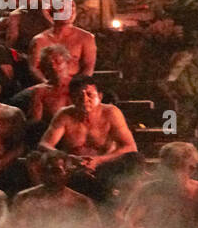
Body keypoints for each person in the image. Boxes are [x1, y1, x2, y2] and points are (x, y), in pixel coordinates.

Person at [39, 75, 140, 204]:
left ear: (100, 96)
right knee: (37, 158)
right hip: (73, 168)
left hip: (104, 165)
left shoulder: (111, 113)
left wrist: (98, 161)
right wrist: (69, 158)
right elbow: (44, 144)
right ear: (71, 98)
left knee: (135, 160)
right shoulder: (64, 115)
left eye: (89, 94)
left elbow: (130, 147)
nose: (84, 99)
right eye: (78, 96)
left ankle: (123, 209)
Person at [12, 150, 100, 228]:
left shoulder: (81, 203)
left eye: (55, 171)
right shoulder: (24, 198)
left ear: (67, 173)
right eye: (45, 171)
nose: (50, 176)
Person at [12, 44, 75, 149]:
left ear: (67, 62)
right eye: (49, 64)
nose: (54, 67)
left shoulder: (79, 86)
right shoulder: (41, 91)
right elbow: (36, 121)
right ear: (44, 68)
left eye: (58, 62)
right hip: (53, 138)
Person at [28, 12, 96, 79]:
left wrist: (78, 85)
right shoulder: (39, 40)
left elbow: (89, 66)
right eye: (63, 8)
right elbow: (34, 68)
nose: (69, 11)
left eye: (71, 8)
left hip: (76, 85)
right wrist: (49, 86)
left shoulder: (86, 37)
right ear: (52, 13)